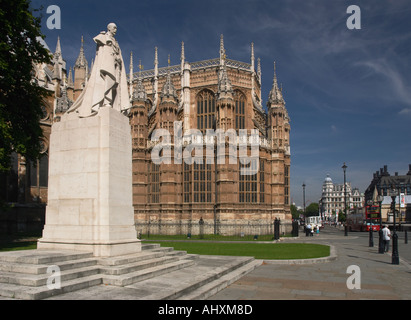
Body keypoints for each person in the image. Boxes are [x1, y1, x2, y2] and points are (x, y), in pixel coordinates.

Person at [68, 23, 130, 117]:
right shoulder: (103, 37)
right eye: (114, 28)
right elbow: (101, 51)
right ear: (109, 28)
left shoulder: (116, 42)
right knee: (107, 83)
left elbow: (117, 55)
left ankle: (110, 103)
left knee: (114, 85)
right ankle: (106, 103)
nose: (116, 30)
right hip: (106, 66)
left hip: (115, 67)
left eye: (116, 28)